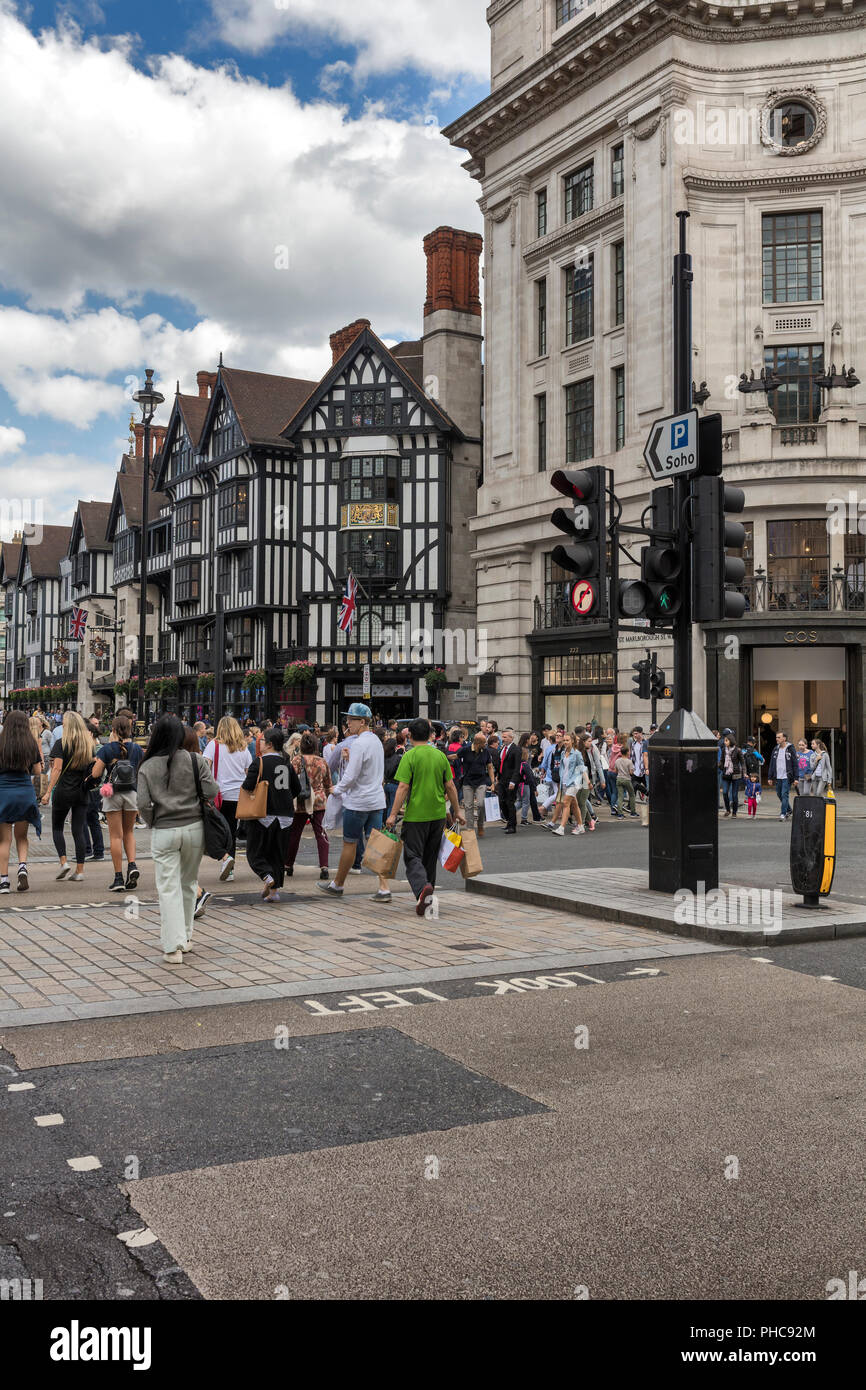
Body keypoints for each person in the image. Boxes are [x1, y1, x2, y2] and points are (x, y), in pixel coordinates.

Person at [137, 713, 219, 963]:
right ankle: (185, 938)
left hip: (164, 829)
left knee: (168, 888)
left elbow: (142, 803)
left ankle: (173, 946)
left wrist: (153, 820)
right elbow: (212, 790)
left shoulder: (148, 766)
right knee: (188, 884)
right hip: (194, 827)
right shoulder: (195, 760)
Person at [386, 717, 465, 916]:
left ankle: (422, 889)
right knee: (430, 858)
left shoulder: (409, 756)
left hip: (415, 815)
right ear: (430, 734)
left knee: (412, 855)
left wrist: (393, 814)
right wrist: (457, 811)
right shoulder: (440, 755)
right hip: (438, 814)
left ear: (410, 735)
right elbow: (450, 786)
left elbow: (403, 787)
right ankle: (428, 901)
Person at [316, 704, 390, 900]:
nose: (348, 723)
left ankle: (338, 884)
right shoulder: (375, 741)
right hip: (376, 801)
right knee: (376, 844)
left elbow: (351, 776)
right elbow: (369, 770)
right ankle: (384, 887)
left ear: (363, 722)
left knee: (350, 843)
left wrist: (335, 790)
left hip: (358, 801)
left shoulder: (358, 743)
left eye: (352, 719)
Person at [242, 727, 301, 902]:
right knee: (277, 853)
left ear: (268, 744)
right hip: (285, 815)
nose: (259, 743)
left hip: (263, 814)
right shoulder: (286, 763)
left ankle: (267, 876)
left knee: (254, 852)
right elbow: (296, 788)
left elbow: (247, 786)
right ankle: (274, 892)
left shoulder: (259, 762)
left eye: (261, 741)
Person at [89, 715, 143, 890]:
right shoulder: (136, 748)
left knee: (115, 836)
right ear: (130, 730)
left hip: (112, 794)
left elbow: (96, 774)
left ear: (112, 730)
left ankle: (118, 878)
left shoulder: (107, 749)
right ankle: (132, 865)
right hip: (132, 793)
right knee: (129, 833)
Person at [41, 711, 94, 881]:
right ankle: (79, 871)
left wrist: (48, 791)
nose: (62, 724)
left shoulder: (61, 743)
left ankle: (63, 862)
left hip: (64, 790)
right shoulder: (87, 744)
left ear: (68, 725)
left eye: (64, 722)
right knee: (78, 831)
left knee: (57, 828)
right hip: (82, 791)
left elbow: (56, 769)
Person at [203, 716, 252, 882]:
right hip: (238, 796)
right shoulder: (243, 748)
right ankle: (229, 865)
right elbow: (248, 772)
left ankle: (225, 858)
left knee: (213, 829)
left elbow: (205, 767)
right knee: (231, 830)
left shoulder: (213, 745)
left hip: (219, 795)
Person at [0, 710, 43, 893]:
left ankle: (3, 881)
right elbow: (38, 771)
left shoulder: (0, 743)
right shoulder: (30, 743)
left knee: (4, 839)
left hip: (3, 791)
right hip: (24, 791)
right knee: (22, 836)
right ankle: (22, 867)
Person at [284, 731, 332, 880]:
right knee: (321, 834)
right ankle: (324, 866)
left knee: (295, 834)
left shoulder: (296, 761)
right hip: (318, 801)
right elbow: (328, 784)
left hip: (300, 801)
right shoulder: (322, 761)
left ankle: (288, 865)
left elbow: (289, 782)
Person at [456, 730, 495, 834]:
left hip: (481, 781)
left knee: (481, 804)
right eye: (484, 743)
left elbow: (490, 767)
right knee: (468, 806)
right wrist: (445, 756)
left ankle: (480, 825)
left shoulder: (486, 752)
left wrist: (493, 782)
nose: (486, 745)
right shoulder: (465, 750)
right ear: (478, 743)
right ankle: (470, 828)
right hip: (468, 781)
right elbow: (456, 756)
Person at [551, 733, 584, 836]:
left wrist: (584, 781)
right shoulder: (563, 753)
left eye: (567, 740)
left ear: (572, 741)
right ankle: (580, 826)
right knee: (574, 805)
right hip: (564, 782)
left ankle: (561, 828)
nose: (565, 742)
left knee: (565, 803)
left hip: (573, 783)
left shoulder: (577, 754)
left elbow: (581, 768)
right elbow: (562, 768)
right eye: (564, 740)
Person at [496, 727, 521, 835]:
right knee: (501, 801)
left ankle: (512, 825)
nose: (503, 739)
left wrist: (513, 781)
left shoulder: (516, 749)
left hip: (511, 780)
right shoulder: (503, 748)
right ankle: (508, 821)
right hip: (502, 779)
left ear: (511, 738)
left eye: (505, 737)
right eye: (502, 737)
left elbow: (517, 767)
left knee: (510, 802)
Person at [767, 731, 797, 820]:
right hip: (778, 776)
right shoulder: (775, 749)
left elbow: (795, 764)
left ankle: (783, 813)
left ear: (784, 738)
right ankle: (789, 810)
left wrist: (796, 778)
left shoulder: (790, 748)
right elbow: (772, 763)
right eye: (776, 737)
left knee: (784, 794)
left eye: (779, 737)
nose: (777, 739)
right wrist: (770, 777)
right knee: (779, 794)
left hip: (787, 776)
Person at [720, 735, 746, 817]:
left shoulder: (738, 750)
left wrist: (744, 772)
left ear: (731, 741)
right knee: (724, 792)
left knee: (734, 795)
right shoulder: (724, 750)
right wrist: (719, 766)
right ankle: (728, 810)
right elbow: (721, 761)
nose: (725, 742)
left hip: (736, 774)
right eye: (725, 740)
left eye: (726, 740)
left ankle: (734, 812)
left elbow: (742, 762)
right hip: (726, 774)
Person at [615, 744, 639, 818]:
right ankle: (633, 812)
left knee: (620, 796)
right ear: (627, 752)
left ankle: (620, 814)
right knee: (632, 795)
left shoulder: (617, 760)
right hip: (627, 779)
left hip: (619, 779)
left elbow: (616, 771)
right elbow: (631, 772)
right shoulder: (629, 761)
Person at [743, 737, 764, 818]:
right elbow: (762, 759)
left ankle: (746, 799)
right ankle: (754, 797)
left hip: (746, 771)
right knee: (754, 784)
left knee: (747, 784)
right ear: (753, 743)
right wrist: (761, 761)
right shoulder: (755, 751)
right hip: (754, 771)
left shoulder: (743, 750)